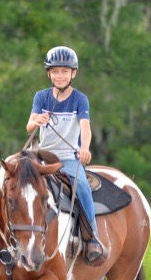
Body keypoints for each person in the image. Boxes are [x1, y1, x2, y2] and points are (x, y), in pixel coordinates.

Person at [27, 44, 106, 266]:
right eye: (55, 71)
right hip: (41, 154)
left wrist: (85, 148)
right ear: (48, 74)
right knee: (6, 175)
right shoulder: (41, 97)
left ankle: (92, 238)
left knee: (81, 186)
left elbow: (85, 127)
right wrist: (36, 121)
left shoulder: (80, 100)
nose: (59, 75)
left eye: (64, 71)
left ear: (73, 73)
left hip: (68, 158)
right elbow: (28, 126)